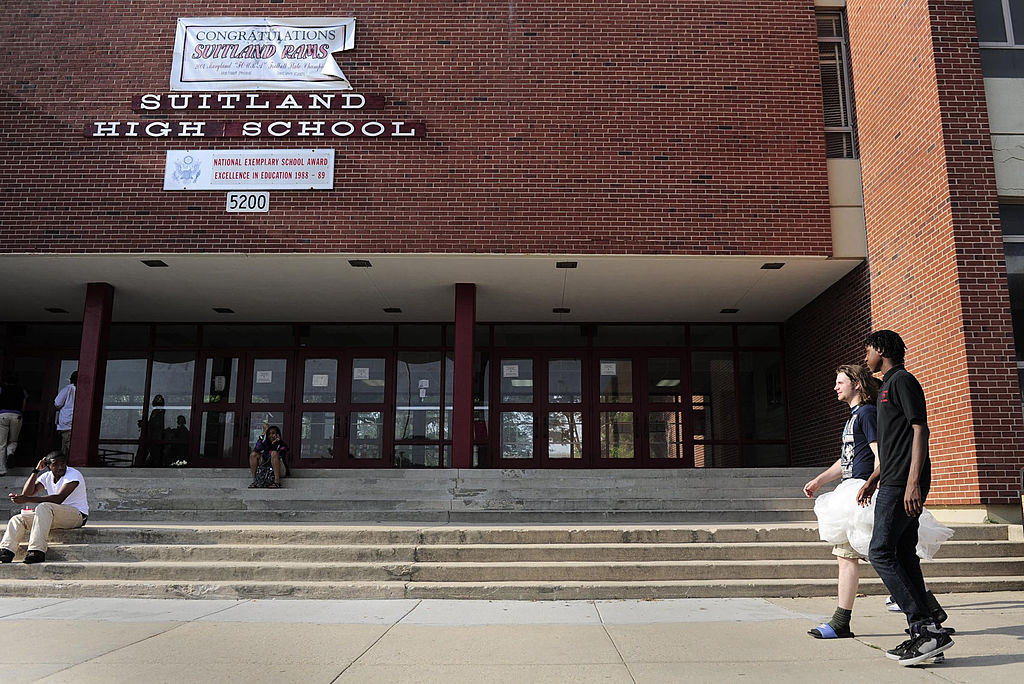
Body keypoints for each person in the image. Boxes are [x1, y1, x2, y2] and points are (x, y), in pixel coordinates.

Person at [858, 330, 953, 666]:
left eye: (868, 350)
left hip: (903, 485)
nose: (865, 356)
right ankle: (927, 633)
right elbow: (893, 442)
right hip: (892, 480)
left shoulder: (901, 381)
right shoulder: (885, 387)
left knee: (880, 551)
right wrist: (874, 477)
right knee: (902, 553)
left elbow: (919, 429)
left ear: (881, 350)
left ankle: (925, 628)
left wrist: (913, 483)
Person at [803, 364, 879, 639]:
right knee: (850, 556)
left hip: (863, 494)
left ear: (856, 384)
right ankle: (927, 612)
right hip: (851, 491)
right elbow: (848, 458)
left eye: (840, 382)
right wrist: (821, 480)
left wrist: (873, 485)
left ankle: (926, 614)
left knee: (880, 558)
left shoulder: (868, 414)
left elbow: (879, 454)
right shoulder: (854, 417)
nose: (835, 387)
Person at [0, 451, 89, 564]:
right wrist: (36, 471)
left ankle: (36, 551)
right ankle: (6, 551)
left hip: (77, 516)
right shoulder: (47, 476)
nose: (60, 467)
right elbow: (28, 493)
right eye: (55, 464)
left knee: (44, 507)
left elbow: (58, 498)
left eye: (63, 463)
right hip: (54, 514)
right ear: (48, 466)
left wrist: (26, 499)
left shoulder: (73, 474)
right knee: (18, 519)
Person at [0, 370, 29, 477]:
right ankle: (10, 452)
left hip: (2, 415)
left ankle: (2, 469)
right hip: (16, 415)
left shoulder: (1, 389)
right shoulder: (22, 390)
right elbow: (23, 405)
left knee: (1, 443)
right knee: (13, 440)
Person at [248, 424, 288, 489]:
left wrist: (275, 443)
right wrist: (263, 434)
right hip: (265, 470)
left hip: (279, 470)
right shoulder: (266, 444)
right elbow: (257, 449)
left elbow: (280, 455)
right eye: (269, 434)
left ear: (277, 434)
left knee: (274, 453)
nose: (271, 436)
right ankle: (256, 481)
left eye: (273, 433)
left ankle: (277, 482)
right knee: (253, 454)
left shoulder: (282, 445)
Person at [53, 371, 77, 457]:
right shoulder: (84, 390)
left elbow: (57, 403)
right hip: (76, 422)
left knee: (66, 446)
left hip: (67, 422)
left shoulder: (68, 389)